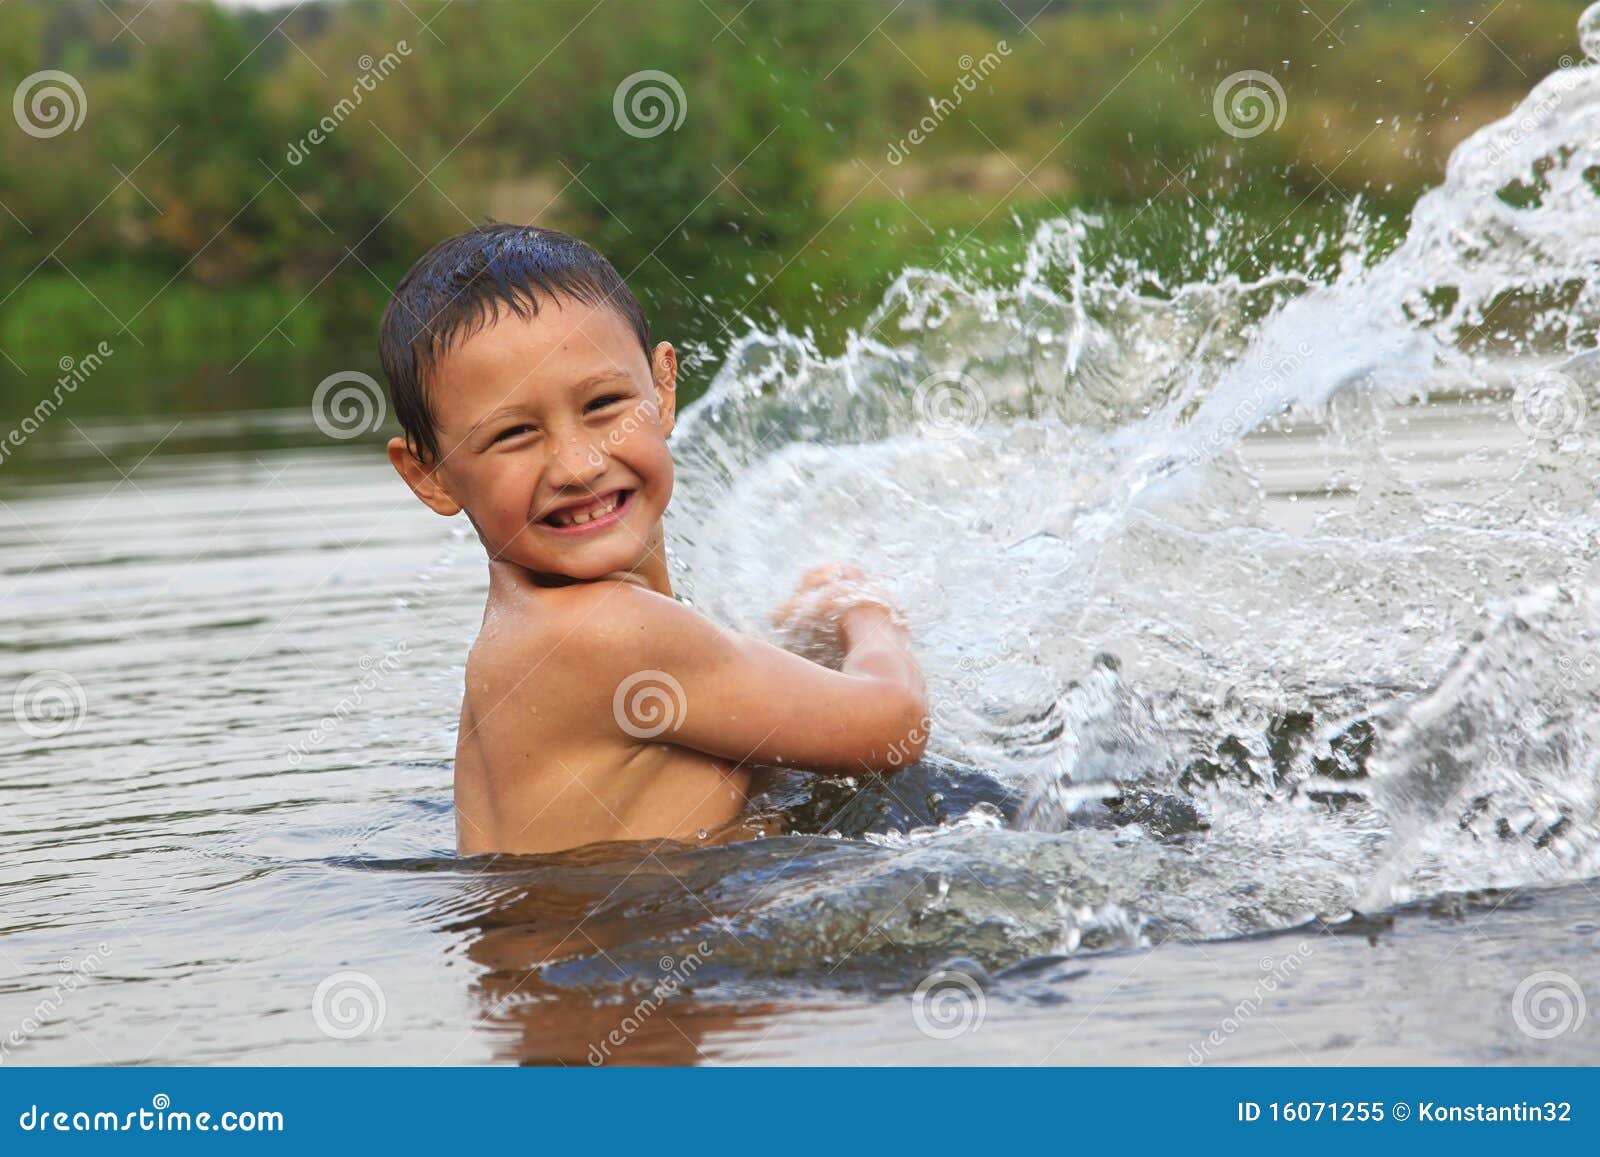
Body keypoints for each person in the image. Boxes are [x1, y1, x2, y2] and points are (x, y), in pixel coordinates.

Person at [379, 223, 927, 855]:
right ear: (430, 475)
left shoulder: (526, 633)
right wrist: (867, 613)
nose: (578, 465)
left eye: (604, 405)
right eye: (514, 434)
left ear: (662, 389)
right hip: (651, 921)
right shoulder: (601, 631)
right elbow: (896, 727)